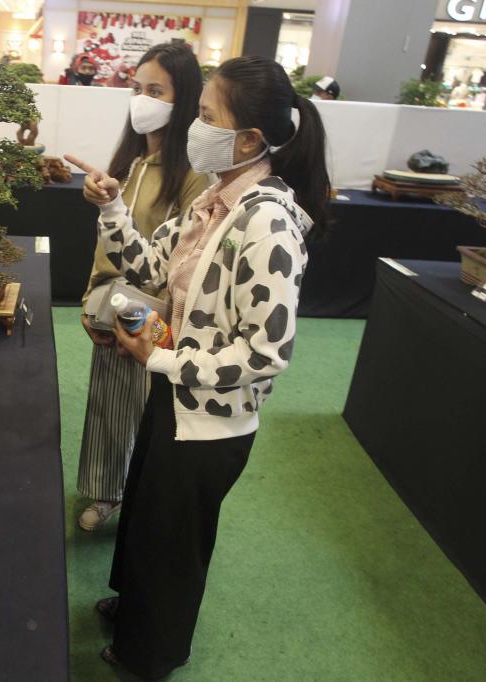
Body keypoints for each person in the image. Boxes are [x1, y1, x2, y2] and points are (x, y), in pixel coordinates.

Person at [66, 54, 329, 680]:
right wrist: (112, 209)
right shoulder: (216, 201)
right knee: (149, 520)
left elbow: (268, 353)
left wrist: (162, 356)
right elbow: (154, 268)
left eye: (207, 116)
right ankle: (133, 609)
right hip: (175, 396)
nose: (195, 127)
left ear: (250, 140)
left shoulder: (266, 223)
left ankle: (150, 652)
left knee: (173, 539)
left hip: (211, 420)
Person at [77, 42, 209, 532]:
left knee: (150, 414)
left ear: (186, 99)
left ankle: (138, 501)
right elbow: (106, 242)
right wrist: (91, 301)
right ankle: (105, 493)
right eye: (137, 88)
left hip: (154, 317)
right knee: (108, 404)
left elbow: (178, 261)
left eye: (155, 90)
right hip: (110, 305)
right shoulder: (131, 162)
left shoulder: (195, 176)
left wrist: (142, 317)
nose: (141, 100)